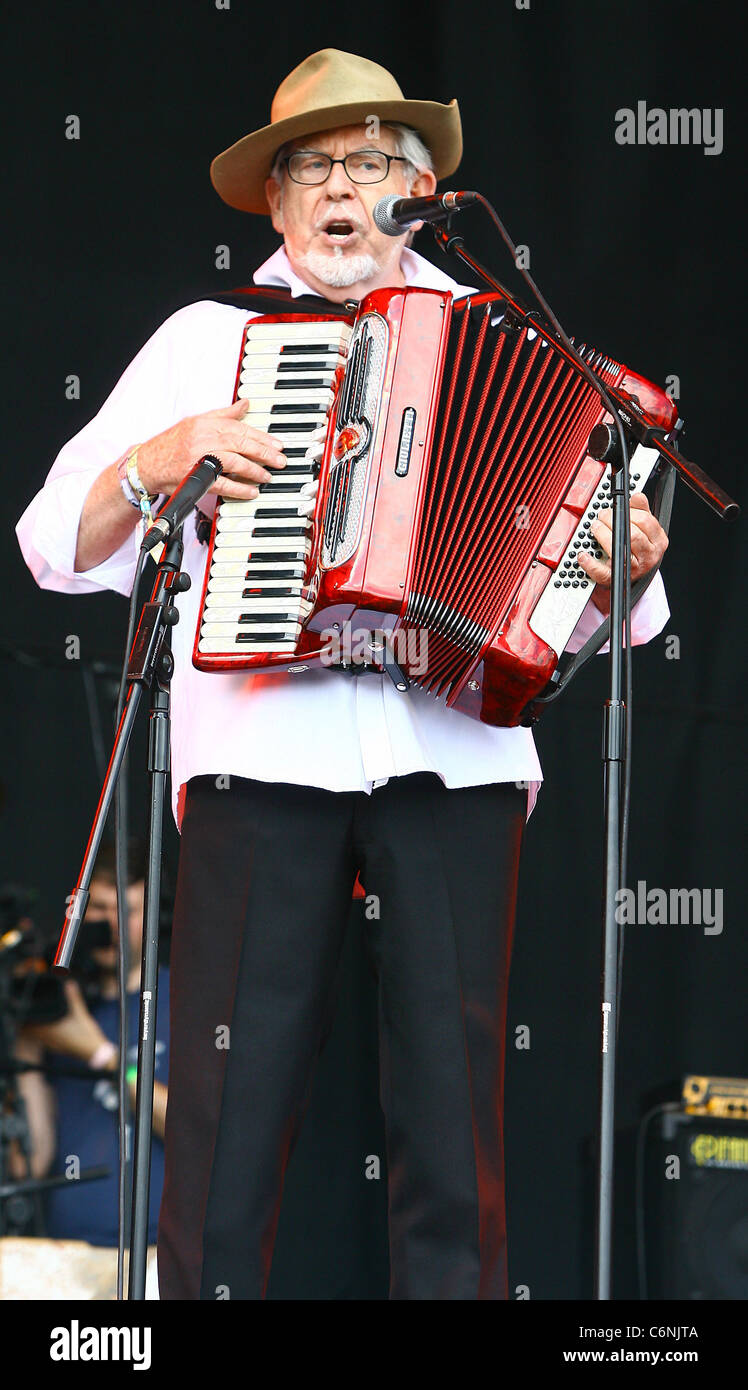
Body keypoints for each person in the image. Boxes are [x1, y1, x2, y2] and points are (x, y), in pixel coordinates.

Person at [16, 49, 669, 1299]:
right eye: (309, 166)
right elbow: (54, 541)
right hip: (261, 758)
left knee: (452, 1110)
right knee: (225, 1108)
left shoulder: (514, 344)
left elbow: (598, 618)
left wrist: (617, 566)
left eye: (370, 162)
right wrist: (166, 453)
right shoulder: (208, 339)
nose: (337, 187)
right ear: (272, 204)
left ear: (420, 190)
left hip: (454, 753)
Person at [17, 844, 169, 1248]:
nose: (113, 924)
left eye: (128, 911)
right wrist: (27, 1044)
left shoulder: (188, 1000)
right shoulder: (60, 1007)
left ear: (154, 916)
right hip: (66, 1253)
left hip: (156, 1257)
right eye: (100, 910)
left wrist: (102, 1055)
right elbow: (28, 1163)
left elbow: (195, 1133)